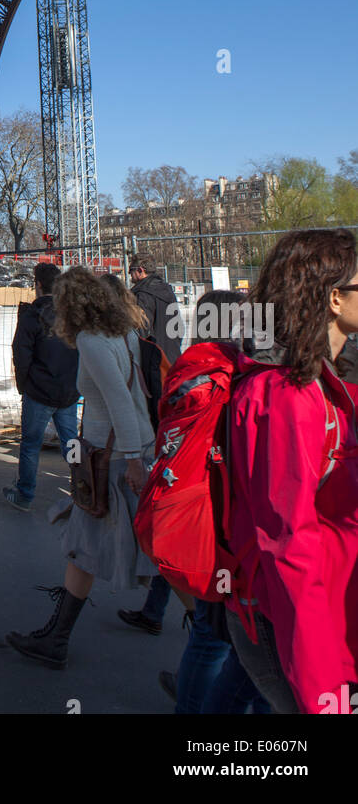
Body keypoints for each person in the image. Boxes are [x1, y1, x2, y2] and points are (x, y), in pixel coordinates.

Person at [224, 228, 358, 714]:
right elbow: (288, 546)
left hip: (320, 608)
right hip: (290, 615)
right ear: (335, 300)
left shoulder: (326, 378)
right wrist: (327, 694)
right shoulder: (288, 395)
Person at [5, 268, 156, 668]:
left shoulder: (90, 340)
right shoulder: (123, 334)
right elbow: (134, 393)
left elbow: (119, 402)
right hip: (130, 448)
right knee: (91, 547)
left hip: (112, 458)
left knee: (122, 547)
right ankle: (57, 636)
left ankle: (213, 639)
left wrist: (135, 460)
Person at [154, 291, 269, 715]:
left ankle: (191, 698)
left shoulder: (195, 364)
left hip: (201, 510)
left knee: (211, 631)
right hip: (224, 516)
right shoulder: (232, 373)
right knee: (219, 638)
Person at [118, 257, 184, 635]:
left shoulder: (141, 295)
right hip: (168, 366)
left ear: (139, 273)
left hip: (150, 371)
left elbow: (138, 328)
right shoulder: (169, 293)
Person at [4, 262, 80, 511]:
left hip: (39, 391)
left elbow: (21, 354)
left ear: (37, 285)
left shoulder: (31, 316)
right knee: (72, 443)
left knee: (30, 445)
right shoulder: (71, 315)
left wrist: (24, 385)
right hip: (67, 391)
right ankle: (83, 486)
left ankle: (25, 494)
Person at [128, 255, 182, 364]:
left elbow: (142, 330)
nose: (130, 275)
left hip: (155, 361)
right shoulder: (167, 290)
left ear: (140, 270)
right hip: (173, 356)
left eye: (131, 271)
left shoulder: (143, 294)